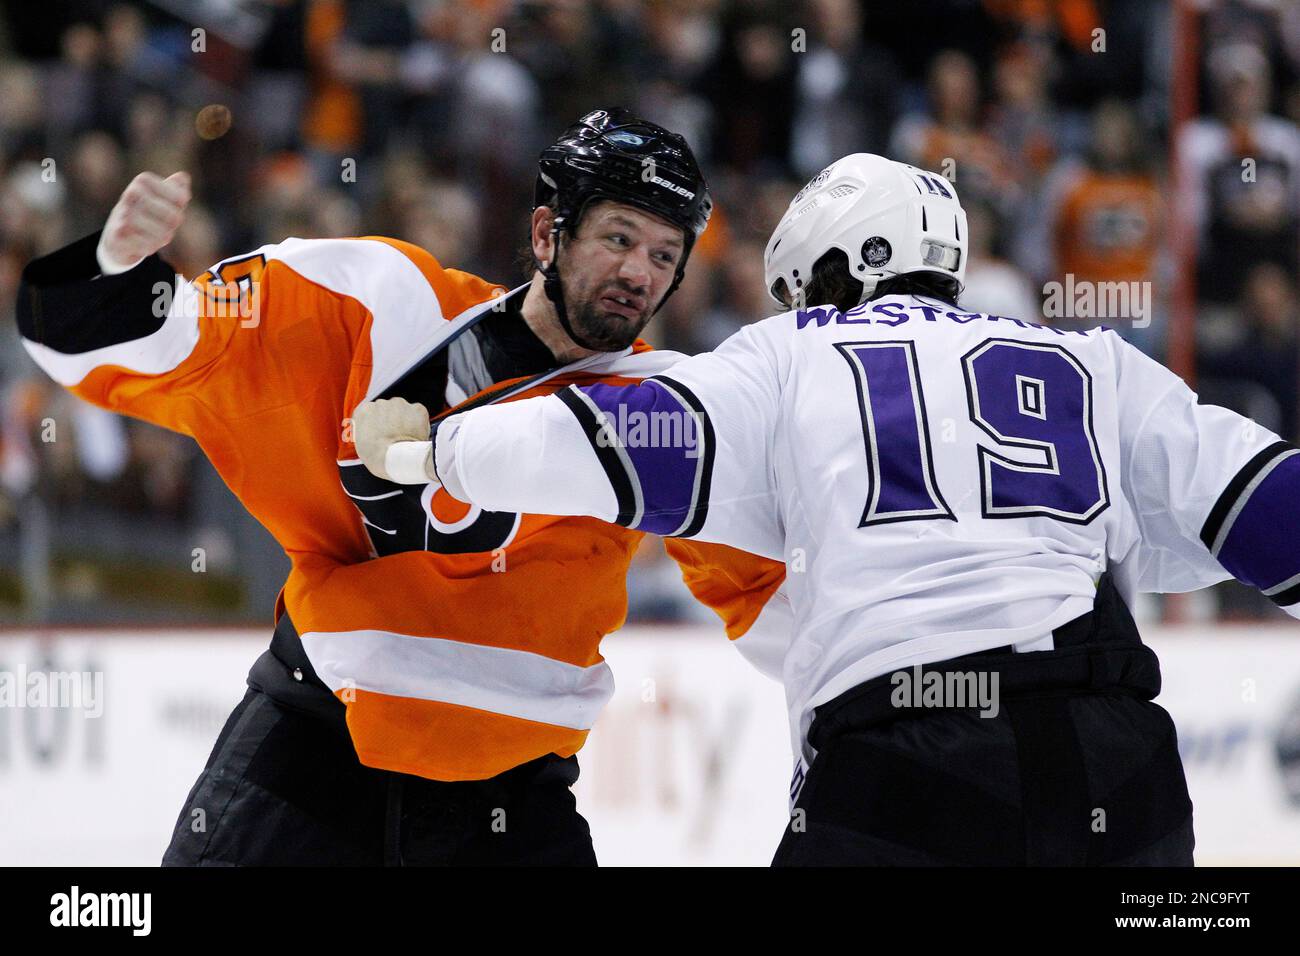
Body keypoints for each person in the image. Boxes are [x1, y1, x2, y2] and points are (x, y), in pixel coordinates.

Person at [354, 153, 1300, 865]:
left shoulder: (792, 353)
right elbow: (1269, 514)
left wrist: (436, 449)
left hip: (909, 758)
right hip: (1119, 755)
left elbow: (615, 440)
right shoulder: (1094, 364)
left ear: (838, 265)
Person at [16, 108, 785, 865]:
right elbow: (186, 343)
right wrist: (115, 274)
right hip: (313, 751)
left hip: (511, 802)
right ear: (549, 233)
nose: (637, 274)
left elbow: (763, 586)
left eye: (663, 254)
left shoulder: (665, 406)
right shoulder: (382, 301)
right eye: (619, 238)